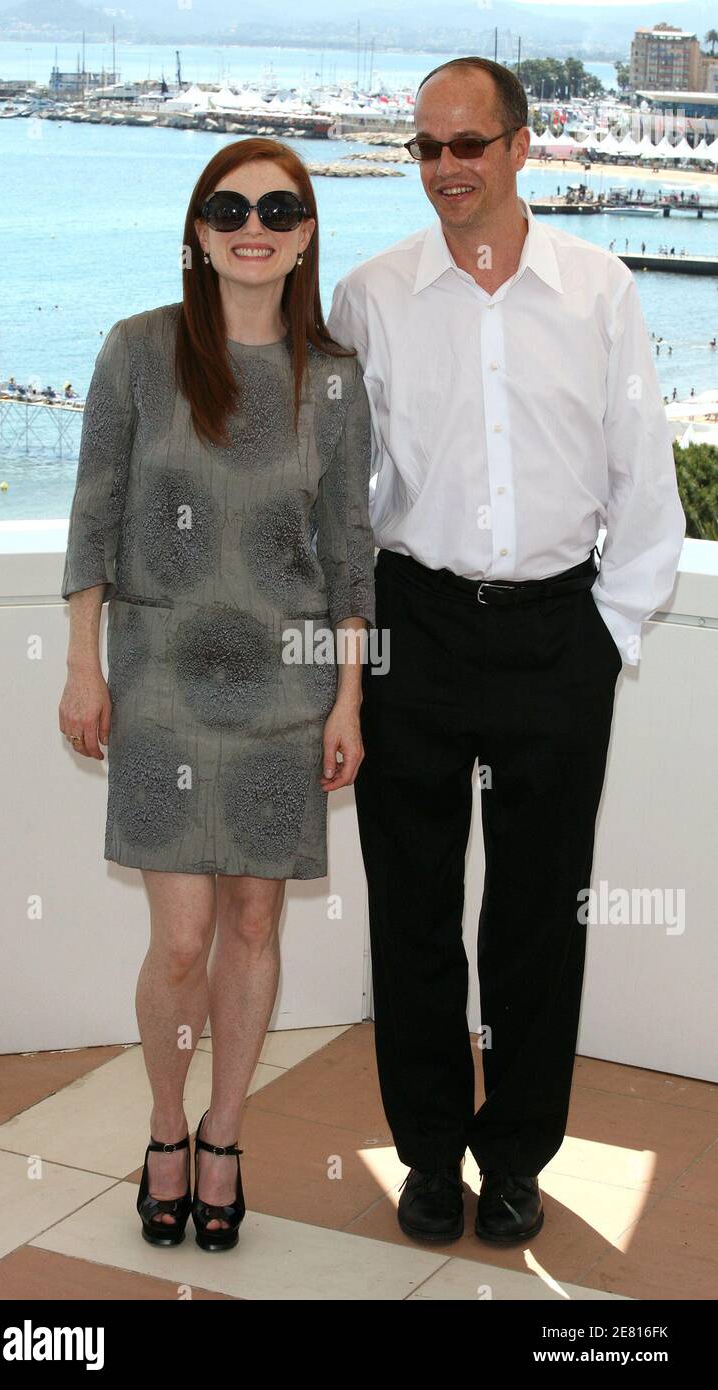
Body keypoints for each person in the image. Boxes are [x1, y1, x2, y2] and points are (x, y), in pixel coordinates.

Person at [328, 57, 685, 1246]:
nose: (446, 168)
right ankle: (430, 1155)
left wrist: (604, 636)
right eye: (427, 147)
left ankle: (518, 1155)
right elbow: (339, 486)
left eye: (469, 144)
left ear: (521, 146)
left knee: (540, 917)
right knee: (413, 912)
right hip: (411, 631)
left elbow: (644, 478)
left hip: (554, 638)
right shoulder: (372, 294)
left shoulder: (599, 286)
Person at [59, 138, 375, 1253]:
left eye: (279, 208)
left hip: (288, 695)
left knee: (254, 919)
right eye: (229, 207)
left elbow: (350, 553)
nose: (254, 223)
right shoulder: (138, 353)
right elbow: (94, 515)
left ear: (303, 235)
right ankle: (164, 1128)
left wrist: (350, 700)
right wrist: (82, 661)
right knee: (183, 940)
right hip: (161, 687)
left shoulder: (332, 378)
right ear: (196, 232)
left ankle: (225, 1137)